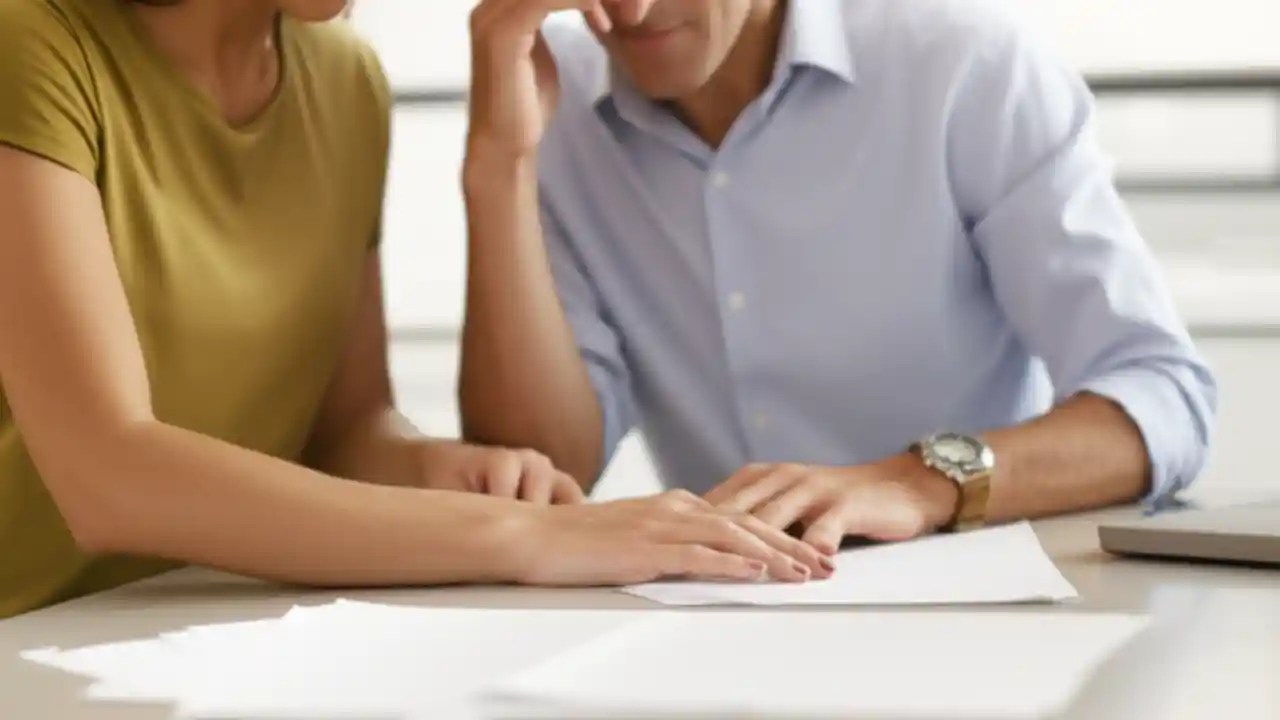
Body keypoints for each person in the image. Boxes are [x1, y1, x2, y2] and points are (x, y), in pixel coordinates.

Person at [0, 0, 826, 620]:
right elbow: (107, 477)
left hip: (197, 634)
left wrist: (447, 474)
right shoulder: (30, 44)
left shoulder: (343, 77)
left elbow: (347, 428)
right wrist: (523, 540)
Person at [459, 0, 1218, 552]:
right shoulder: (548, 94)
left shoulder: (964, 64)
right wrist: (500, 166)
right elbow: (546, 473)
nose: (631, 8)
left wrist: (913, 483)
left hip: (986, 612)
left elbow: (1161, 396)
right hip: (725, 627)